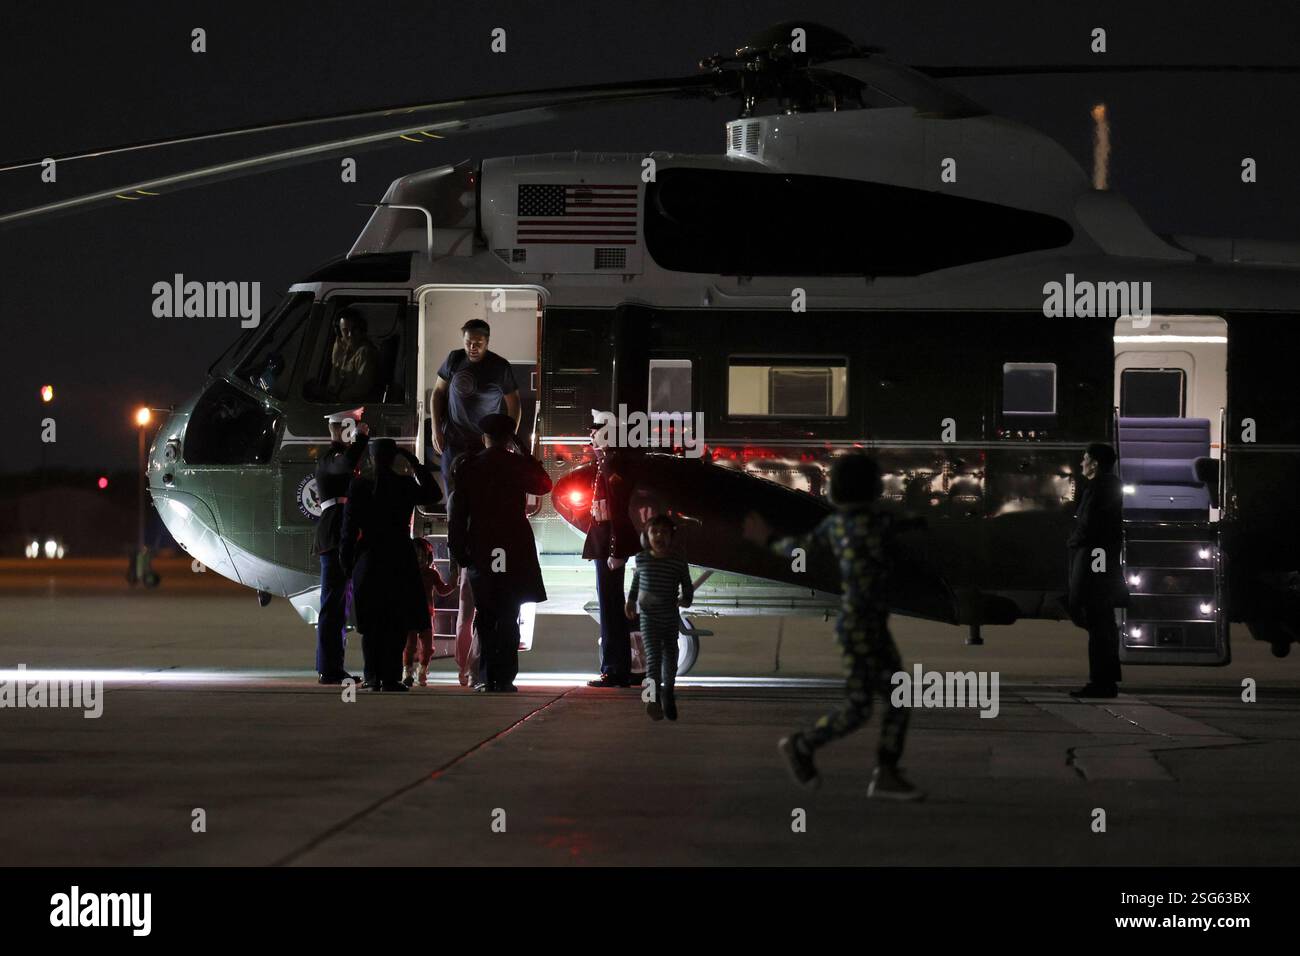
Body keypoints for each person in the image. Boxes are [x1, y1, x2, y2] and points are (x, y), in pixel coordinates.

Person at [744, 453, 925, 801]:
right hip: (864, 624)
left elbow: (798, 548)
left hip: (857, 622)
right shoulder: (874, 523)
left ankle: (882, 771)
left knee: (886, 700)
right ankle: (806, 746)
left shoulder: (837, 524)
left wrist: (766, 538)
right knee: (873, 703)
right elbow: (899, 532)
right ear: (872, 487)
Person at [430, 318, 520, 685]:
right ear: (463, 340)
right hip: (455, 442)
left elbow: (514, 403)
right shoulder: (453, 361)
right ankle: (457, 555)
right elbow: (437, 393)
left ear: (487, 341)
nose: (473, 347)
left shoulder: (500, 367)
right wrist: (435, 428)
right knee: (456, 503)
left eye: (479, 342)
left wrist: (507, 438)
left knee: (481, 496)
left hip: (484, 441)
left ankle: (476, 544)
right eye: (469, 341)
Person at [448, 413, 552, 692]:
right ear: (509, 438)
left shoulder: (470, 466)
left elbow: (459, 513)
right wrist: (526, 454)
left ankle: (486, 676)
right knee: (509, 613)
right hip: (513, 545)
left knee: (486, 613)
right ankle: (505, 678)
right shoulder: (517, 464)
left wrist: (459, 550)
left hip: (482, 545)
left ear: (484, 437)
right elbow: (544, 485)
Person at [339, 439, 443, 692]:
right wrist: (415, 463)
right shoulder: (404, 484)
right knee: (396, 621)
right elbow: (434, 494)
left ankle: (372, 675)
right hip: (399, 556)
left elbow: (349, 529)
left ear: (372, 458)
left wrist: (347, 560)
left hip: (369, 557)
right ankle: (390, 677)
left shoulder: (360, 486)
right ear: (394, 457)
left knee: (372, 622)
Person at [584, 413, 641, 689]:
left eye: (596, 430)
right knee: (610, 606)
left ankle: (615, 669)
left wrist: (617, 549)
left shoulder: (612, 463)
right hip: (605, 542)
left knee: (610, 608)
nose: (591, 435)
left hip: (608, 543)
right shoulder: (607, 461)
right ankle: (615, 667)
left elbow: (618, 511)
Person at [1067, 442, 1128, 699]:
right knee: (1101, 623)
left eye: (1085, 458)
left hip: (1094, 559)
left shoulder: (1099, 487)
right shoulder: (1108, 486)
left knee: (1097, 620)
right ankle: (1105, 679)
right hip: (1099, 559)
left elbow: (1090, 524)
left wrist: (1073, 541)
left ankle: (1101, 681)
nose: (1081, 463)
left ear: (1094, 462)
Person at [313, 408, 368, 684]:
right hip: (335, 534)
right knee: (333, 605)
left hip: (343, 534)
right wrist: (361, 440)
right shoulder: (330, 457)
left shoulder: (339, 456)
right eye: (351, 426)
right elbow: (345, 466)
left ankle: (332, 666)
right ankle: (329, 668)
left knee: (340, 605)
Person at [625, 514, 694, 721]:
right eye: (654, 532)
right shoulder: (642, 558)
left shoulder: (677, 561)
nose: (659, 536)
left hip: (669, 617)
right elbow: (636, 582)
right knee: (653, 659)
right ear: (647, 536)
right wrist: (630, 601)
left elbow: (687, 583)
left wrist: (686, 598)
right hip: (649, 619)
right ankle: (652, 699)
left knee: (671, 658)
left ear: (671, 537)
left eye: (664, 532)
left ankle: (668, 693)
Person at [402, 537, 457, 688]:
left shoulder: (431, 573)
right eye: (416, 554)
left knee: (427, 647)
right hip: (411, 612)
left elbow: (442, 589)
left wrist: (452, 585)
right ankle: (407, 671)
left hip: (426, 614)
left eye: (422, 555)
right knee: (409, 645)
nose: (419, 558)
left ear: (428, 557)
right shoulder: (406, 572)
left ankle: (422, 670)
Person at [325, 310, 380, 402]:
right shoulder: (341, 348)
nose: (350, 335)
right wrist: (336, 359)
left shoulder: (364, 351)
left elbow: (361, 388)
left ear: (361, 329)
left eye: (354, 329)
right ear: (339, 332)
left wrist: (337, 398)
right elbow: (335, 382)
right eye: (345, 331)